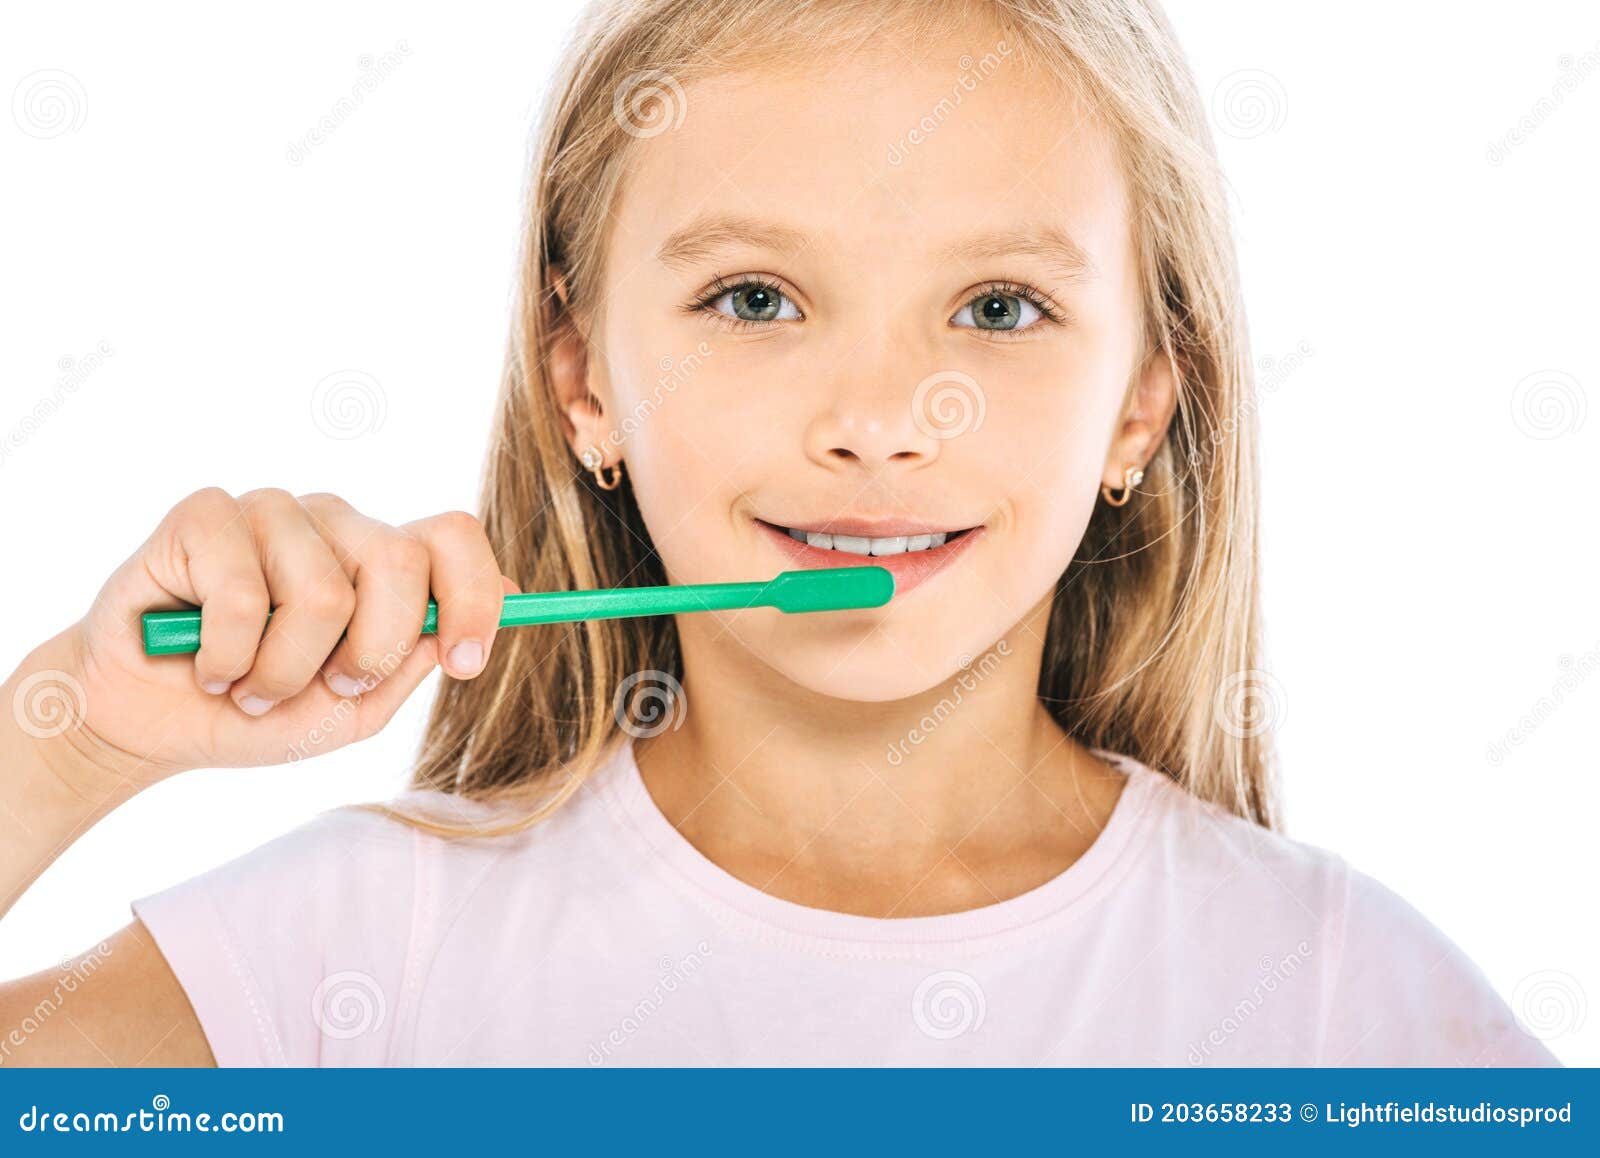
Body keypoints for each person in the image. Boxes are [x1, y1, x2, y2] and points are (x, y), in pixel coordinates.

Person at [0, 0, 1556, 1065]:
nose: (879, 419)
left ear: (1140, 408)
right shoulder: (361, 950)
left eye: (998, 307)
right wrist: (74, 735)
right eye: (755, 298)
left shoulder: (1334, 997)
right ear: (582, 381)